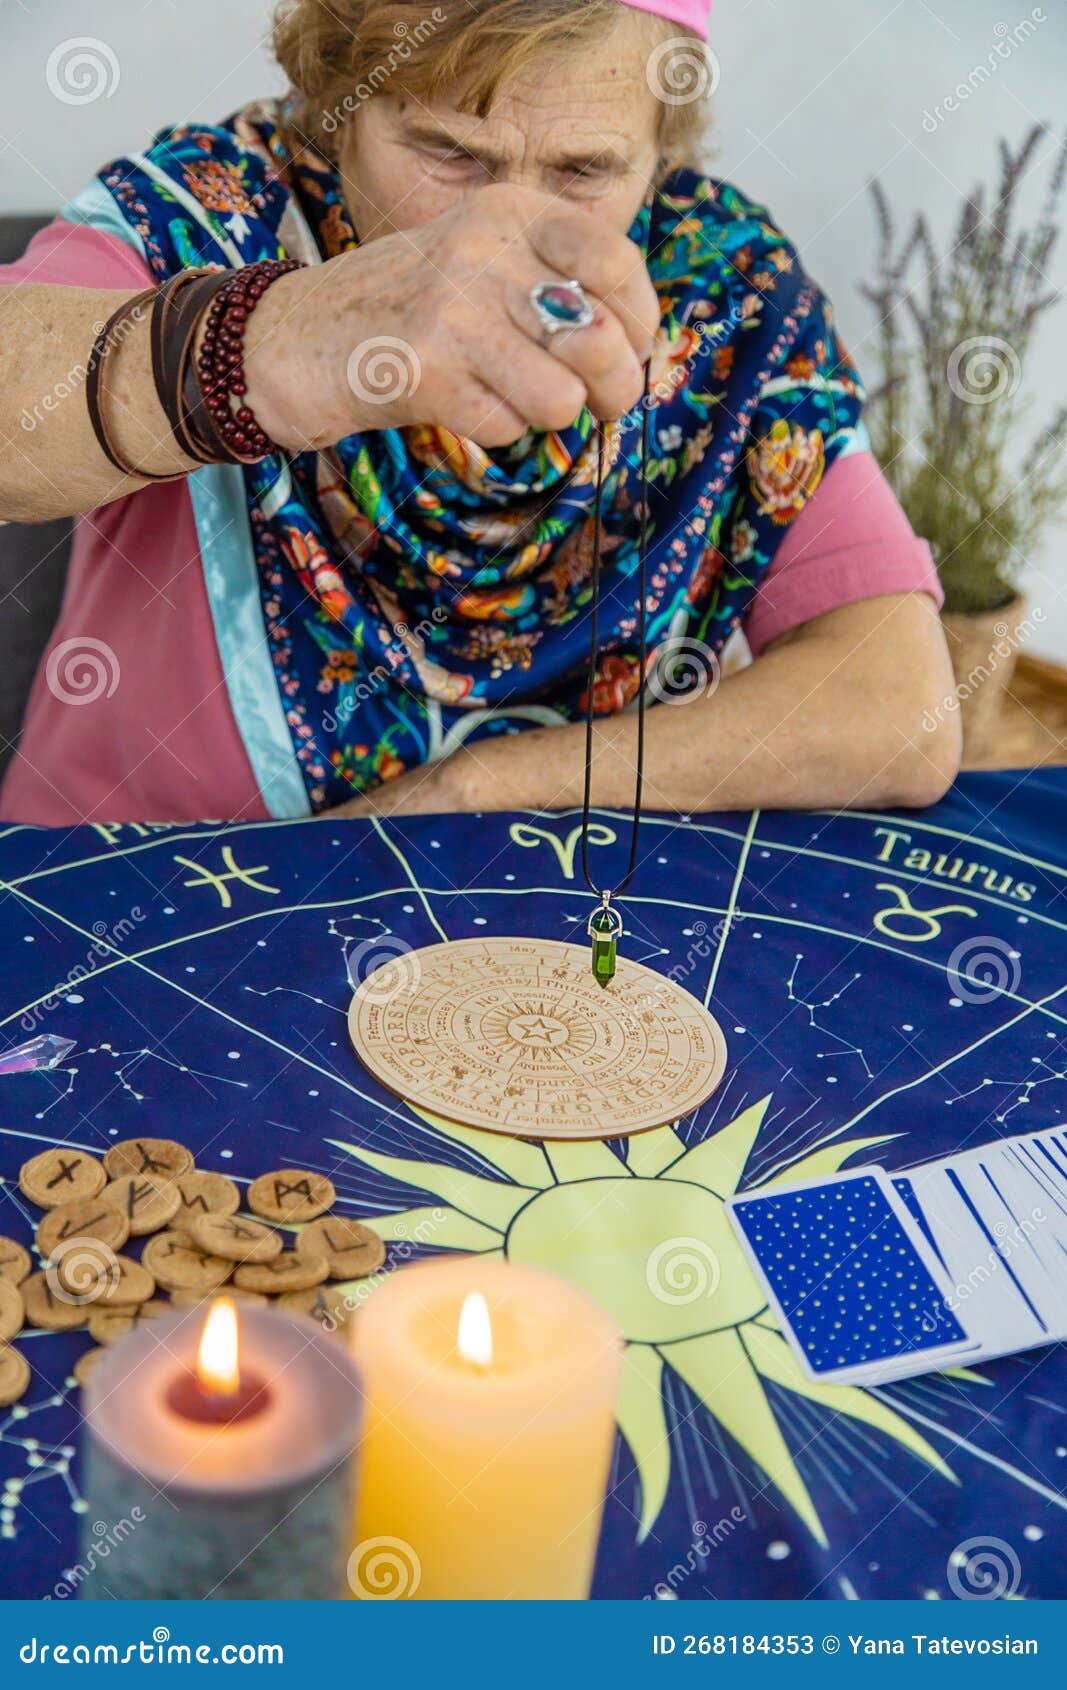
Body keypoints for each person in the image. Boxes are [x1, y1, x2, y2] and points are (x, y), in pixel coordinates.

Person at [0, 0, 959, 826]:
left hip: (518, 918)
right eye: (448, 152)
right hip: (132, 902)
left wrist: (481, 786)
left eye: (584, 169)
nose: (502, 232)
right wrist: (285, 340)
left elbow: (896, 707)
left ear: (661, 154)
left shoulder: (722, 287)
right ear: (333, 112)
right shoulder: (206, 213)